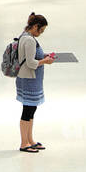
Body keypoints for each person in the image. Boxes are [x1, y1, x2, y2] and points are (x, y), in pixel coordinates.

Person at [14, 13, 56, 152]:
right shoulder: (30, 40)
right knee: (27, 111)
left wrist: (43, 56)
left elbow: (29, 57)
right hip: (29, 80)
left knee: (31, 110)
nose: (41, 33)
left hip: (28, 79)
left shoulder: (25, 35)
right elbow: (31, 63)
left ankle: (30, 140)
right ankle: (24, 143)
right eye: (41, 30)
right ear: (36, 27)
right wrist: (45, 61)